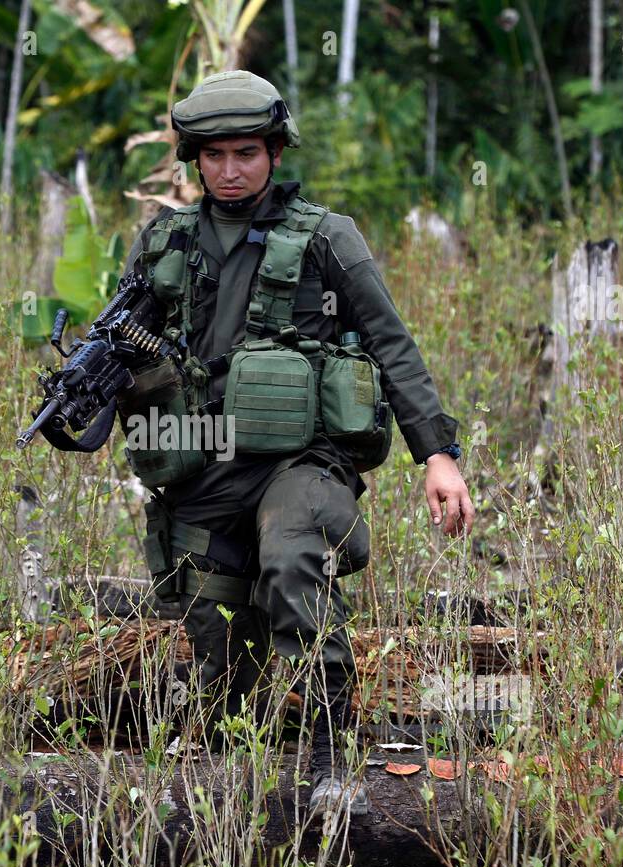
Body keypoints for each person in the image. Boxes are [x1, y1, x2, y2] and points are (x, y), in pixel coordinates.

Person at [118, 70, 474, 820]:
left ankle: (328, 747)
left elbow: (392, 344)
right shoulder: (162, 242)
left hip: (304, 461)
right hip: (205, 465)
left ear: (275, 150)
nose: (229, 170)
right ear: (194, 162)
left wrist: (437, 455)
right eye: (211, 156)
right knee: (222, 665)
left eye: (245, 152)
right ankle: (226, 786)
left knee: (290, 562)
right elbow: (119, 344)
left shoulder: (325, 237)